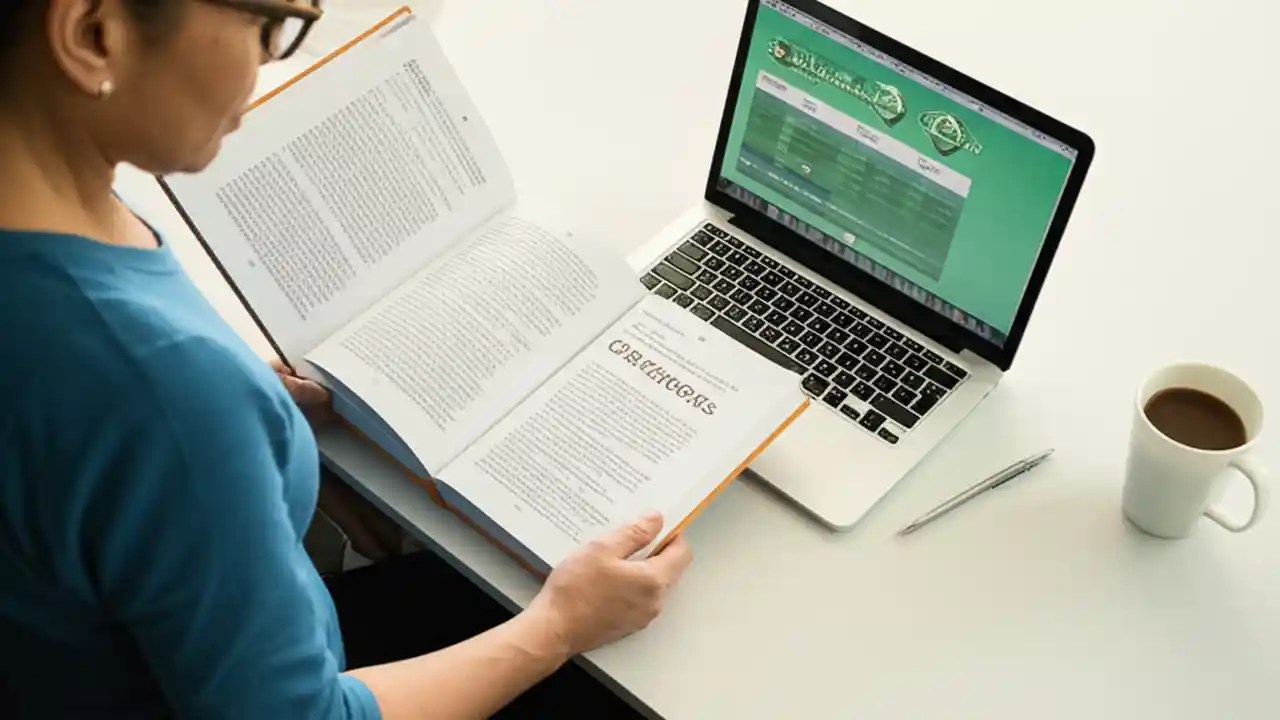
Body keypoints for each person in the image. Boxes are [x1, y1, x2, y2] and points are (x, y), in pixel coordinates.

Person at [0, 0, 693, 718]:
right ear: (92, 34)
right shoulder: (161, 389)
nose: (269, 60)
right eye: (268, 24)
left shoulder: (61, 212)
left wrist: (247, 442)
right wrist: (560, 627)